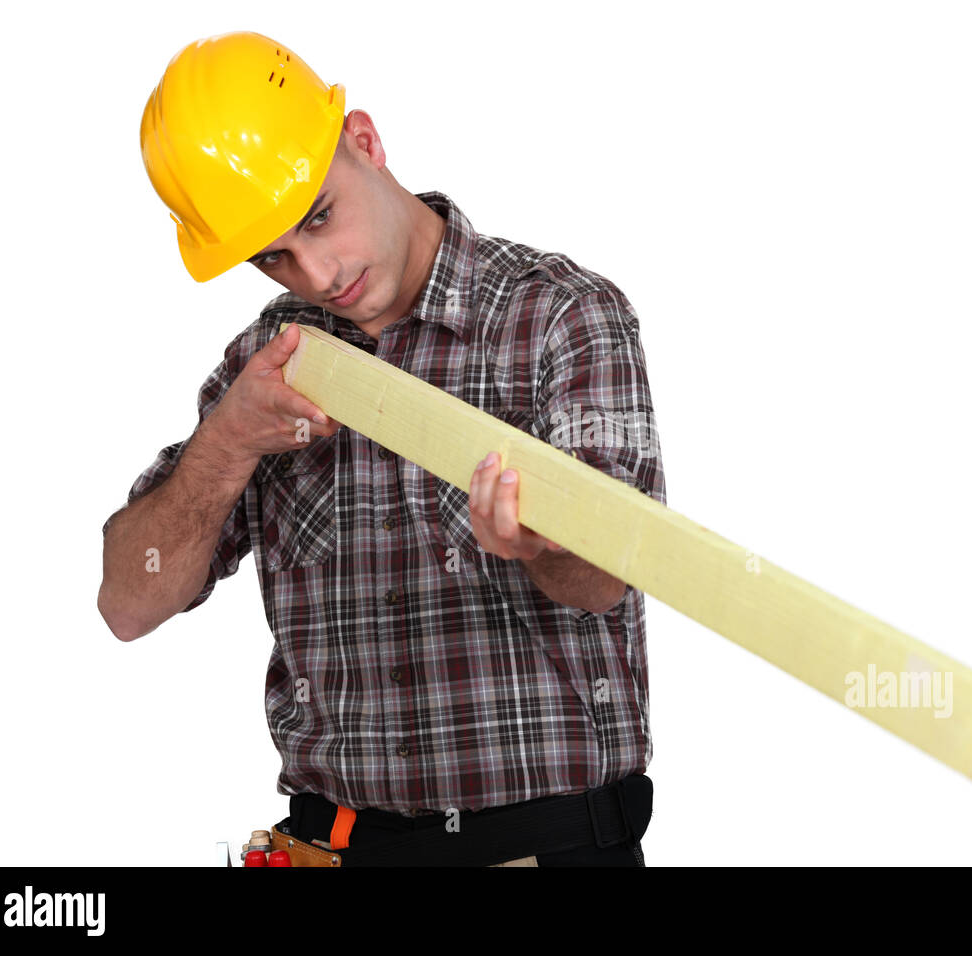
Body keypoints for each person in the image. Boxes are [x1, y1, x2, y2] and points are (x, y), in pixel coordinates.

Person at [98, 31, 665, 867]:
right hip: (332, 847)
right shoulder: (268, 364)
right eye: (276, 257)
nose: (320, 274)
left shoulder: (560, 318)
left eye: (319, 217)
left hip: (541, 846)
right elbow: (128, 602)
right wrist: (226, 446)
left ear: (363, 141)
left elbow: (612, 576)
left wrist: (545, 544)